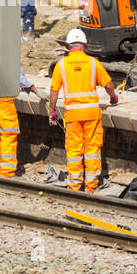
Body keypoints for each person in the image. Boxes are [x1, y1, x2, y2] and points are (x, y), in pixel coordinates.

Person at [48, 28, 118, 193]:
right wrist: (113, 97)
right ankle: (91, 188)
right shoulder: (93, 63)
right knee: (92, 150)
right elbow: (108, 84)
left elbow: (54, 91)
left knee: (74, 151)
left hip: (72, 115)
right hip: (91, 114)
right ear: (84, 45)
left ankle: (74, 185)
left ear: (68, 46)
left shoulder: (61, 65)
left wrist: (52, 110)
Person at [0, 68, 36, 179]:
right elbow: (18, 76)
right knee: (8, 134)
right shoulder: (7, 54)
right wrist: (33, 88)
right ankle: (6, 172)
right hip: (4, 100)